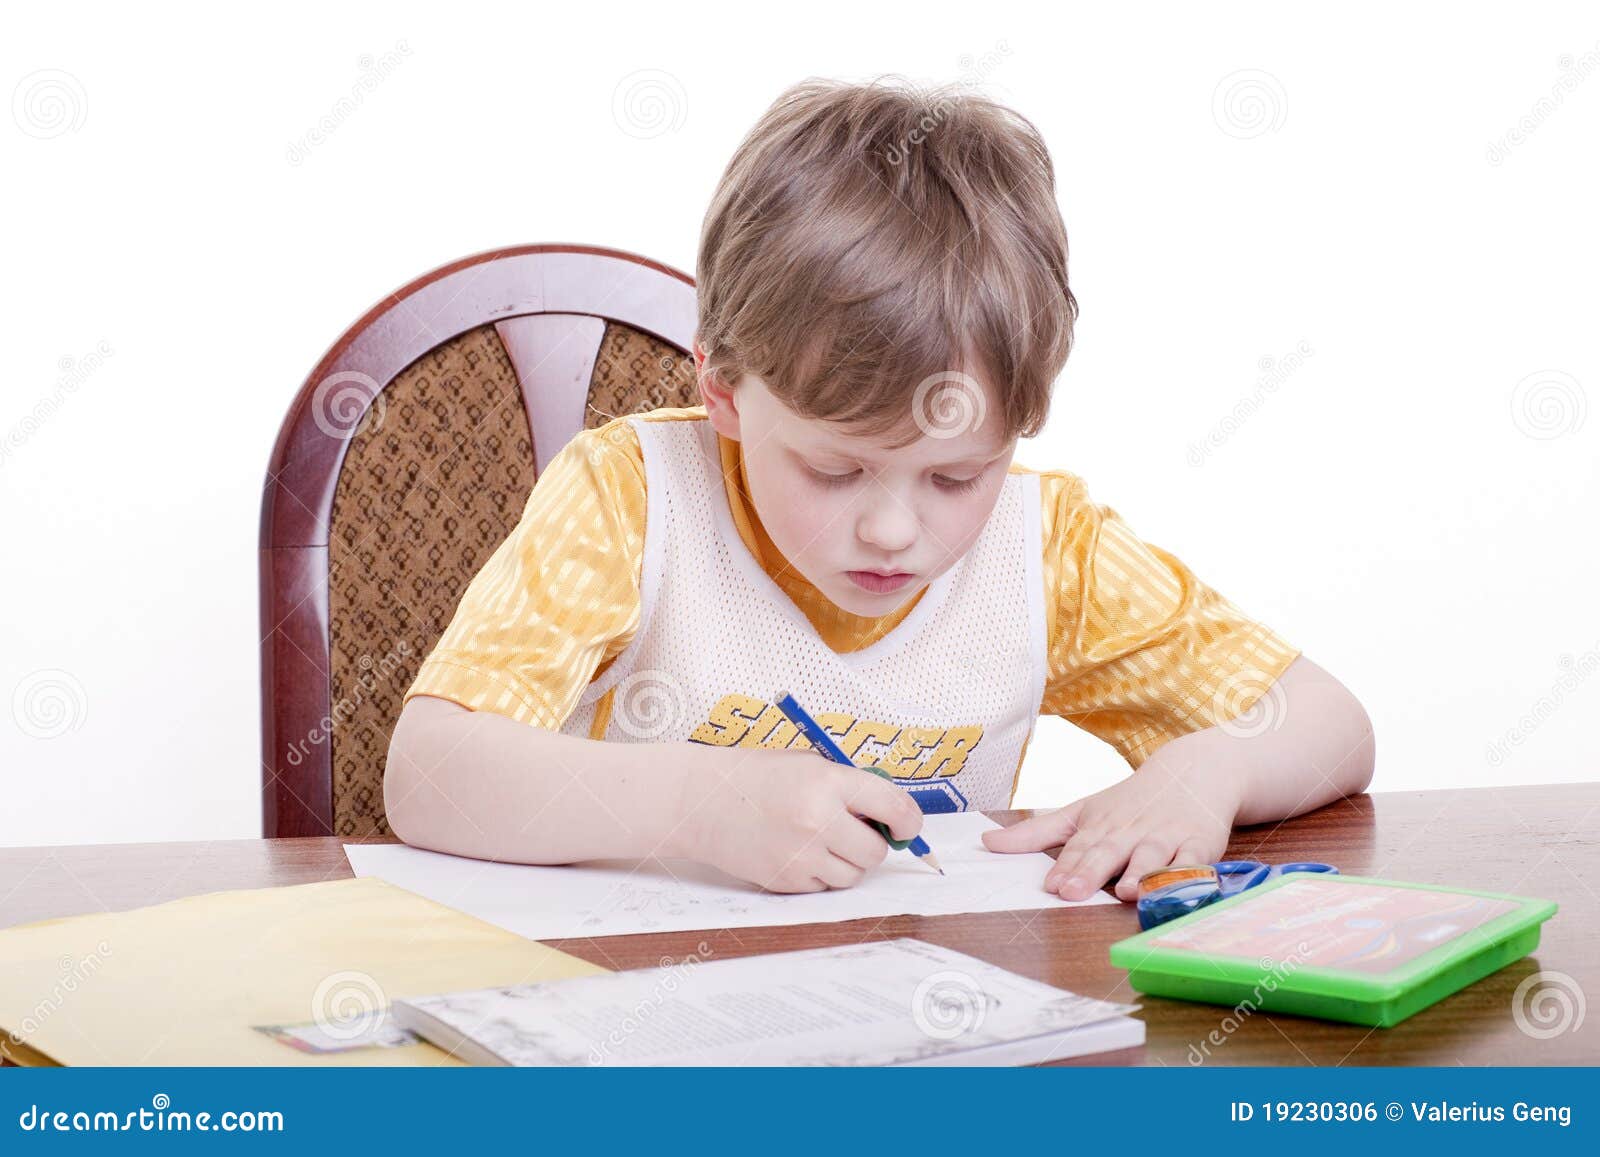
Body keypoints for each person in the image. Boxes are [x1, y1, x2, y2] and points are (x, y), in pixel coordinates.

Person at [385, 77, 1374, 902]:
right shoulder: (630, 497)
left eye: (956, 475)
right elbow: (427, 773)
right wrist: (698, 800)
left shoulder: (1048, 549)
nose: (895, 528)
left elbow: (1330, 720)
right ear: (722, 391)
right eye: (833, 467)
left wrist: (1205, 768)